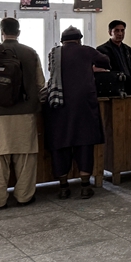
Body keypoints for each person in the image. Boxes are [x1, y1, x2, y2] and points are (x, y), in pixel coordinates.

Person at [0, 18, 45, 209]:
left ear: (1, 32)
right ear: (19, 32)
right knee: (25, 158)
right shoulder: (31, 53)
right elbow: (41, 83)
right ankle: (24, 197)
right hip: (26, 112)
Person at [45, 26, 111, 199]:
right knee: (84, 143)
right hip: (84, 106)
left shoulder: (54, 53)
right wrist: (91, 67)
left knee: (61, 144)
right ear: (79, 39)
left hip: (59, 106)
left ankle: (63, 187)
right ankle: (84, 186)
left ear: (62, 41)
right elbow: (106, 62)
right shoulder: (87, 51)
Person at [97, 19, 131, 95]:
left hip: (129, 84)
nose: (120, 33)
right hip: (114, 87)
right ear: (110, 32)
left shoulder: (127, 49)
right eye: (117, 31)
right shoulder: (102, 50)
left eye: (122, 31)